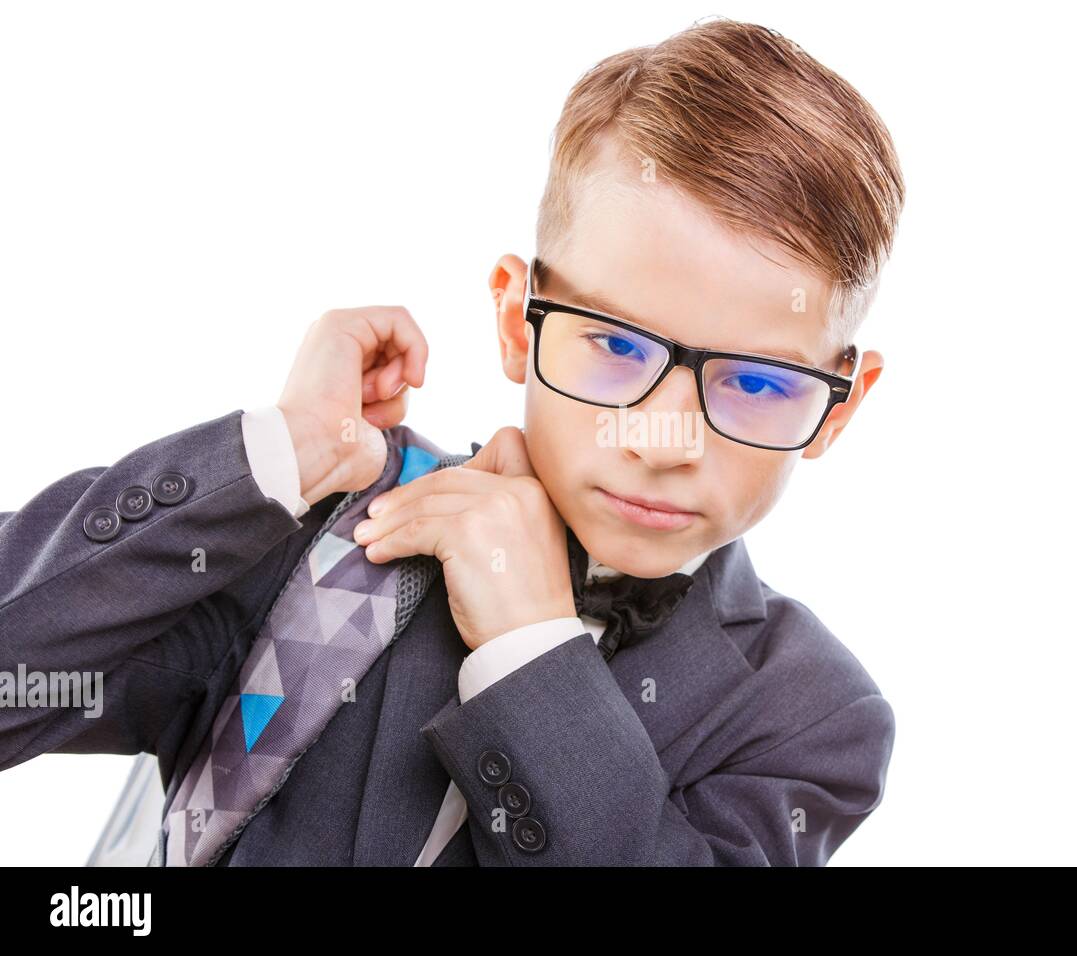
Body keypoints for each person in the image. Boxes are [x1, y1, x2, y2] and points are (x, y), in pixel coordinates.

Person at [0, 16, 903, 865]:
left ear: (839, 406)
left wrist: (534, 652)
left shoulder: (814, 719)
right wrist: (278, 459)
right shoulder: (316, 529)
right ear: (516, 320)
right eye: (617, 344)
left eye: (755, 382)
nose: (663, 440)